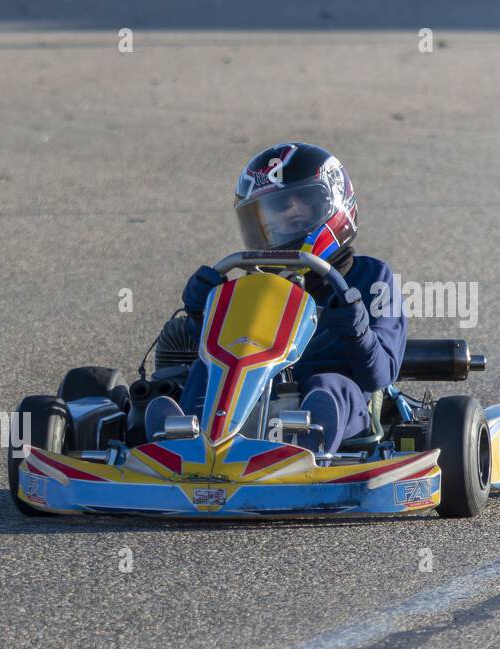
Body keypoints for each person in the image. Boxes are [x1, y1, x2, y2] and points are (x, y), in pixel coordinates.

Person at [151, 143, 406, 455]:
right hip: (259, 393)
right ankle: (181, 445)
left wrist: (359, 333)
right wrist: (201, 314)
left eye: (299, 207)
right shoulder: (257, 283)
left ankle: (309, 446)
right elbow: (229, 351)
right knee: (207, 370)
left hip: (346, 407)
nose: (287, 214)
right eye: (274, 213)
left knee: (329, 386)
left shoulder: (372, 277)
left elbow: (380, 375)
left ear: (334, 203)